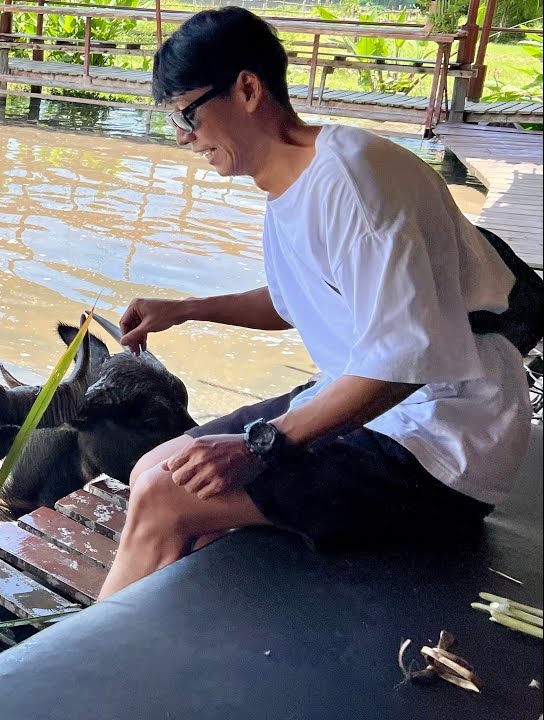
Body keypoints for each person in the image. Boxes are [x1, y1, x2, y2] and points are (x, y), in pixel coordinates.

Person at [98, 6, 533, 600]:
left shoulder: (355, 182)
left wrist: (260, 445)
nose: (182, 136)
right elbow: (294, 303)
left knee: (163, 496)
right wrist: (186, 308)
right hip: (386, 406)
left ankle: (81, 657)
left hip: (443, 442)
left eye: (187, 114)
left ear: (247, 89)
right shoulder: (297, 181)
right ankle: (160, 618)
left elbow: (403, 365)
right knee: (154, 467)